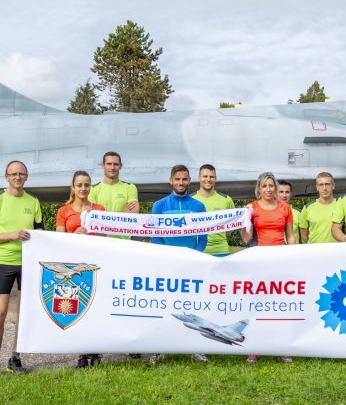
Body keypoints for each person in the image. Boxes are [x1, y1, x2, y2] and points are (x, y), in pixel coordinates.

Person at [0, 160, 43, 376]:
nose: (17, 177)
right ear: (6, 176)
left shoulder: (33, 201)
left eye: (21, 174)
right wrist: (12, 235)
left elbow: (41, 234)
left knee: (23, 315)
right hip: (4, 263)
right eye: (13, 174)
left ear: (26, 177)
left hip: (28, 263)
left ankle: (15, 358)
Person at [149, 165, 209, 364]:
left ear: (189, 180)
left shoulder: (198, 206)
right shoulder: (159, 205)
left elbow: (203, 236)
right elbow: (155, 235)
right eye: (178, 179)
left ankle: (196, 347)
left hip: (192, 264)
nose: (181, 183)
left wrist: (196, 257)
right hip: (168, 264)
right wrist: (168, 257)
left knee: (194, 305)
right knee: (164, 305)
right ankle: (159, 348)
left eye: (184, 179)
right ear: (171, 180)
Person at [242, 172, 295, 363]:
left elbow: (290, 236)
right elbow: (246, 238)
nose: (268, 189)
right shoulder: (251, 207)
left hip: (280, 262)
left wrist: (293, 255)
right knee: (257, 304)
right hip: (258, 262)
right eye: (264, 186)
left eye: (271, 185)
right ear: (259, 188)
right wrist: (244, 221)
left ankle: (282, 347)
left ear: (275, 187)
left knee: (280, 305)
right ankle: (254, 348)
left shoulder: (285, 208)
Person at [55, 171, 105, 368]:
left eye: (86, 185)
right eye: (79, 185)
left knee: (96, 306)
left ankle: (95, 351)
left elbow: (105, 236)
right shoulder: (63, 211)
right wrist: (75, 235)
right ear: (73, 188)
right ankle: (82, 354)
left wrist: (94, 233)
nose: (83, 189)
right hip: (74, 267)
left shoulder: (99, 209)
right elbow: (59, 239)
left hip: (95, 264)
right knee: (80, 307)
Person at [88, 151, 140, 240]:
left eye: (115, 164)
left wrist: (105, 220)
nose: (112, 167)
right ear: (102, 165)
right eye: (109, 164)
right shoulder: (92, 189)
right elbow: (92, 218)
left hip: (123, 242)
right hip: (99, 242)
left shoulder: (130, 187)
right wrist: (123, 215)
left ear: (120, 166)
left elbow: (133, 214)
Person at [192, 164, 236, 257]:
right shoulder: (190, 199)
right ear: (199, 178)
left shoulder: (226, 200)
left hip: (221, 250)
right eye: (205, 176)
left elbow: (232, 225)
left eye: (211, 177)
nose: (208, 179)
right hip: (196, 251)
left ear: (215, 178)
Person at [299, 172, 341, 244]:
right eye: (321, 185)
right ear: (317, 187)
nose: (324, 188)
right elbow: (304, 238)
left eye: (327, 184)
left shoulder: (341, 205)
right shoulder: (307, 208)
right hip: (315, 252)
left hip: (337, 251)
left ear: (333, 186)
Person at [277, 180, 302, 244]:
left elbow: (303, 238)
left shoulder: (298, 212)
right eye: (281, 192)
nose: (284, 195)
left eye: (287, 192)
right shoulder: (269, 211)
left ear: (291, 194)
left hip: (293, 252)